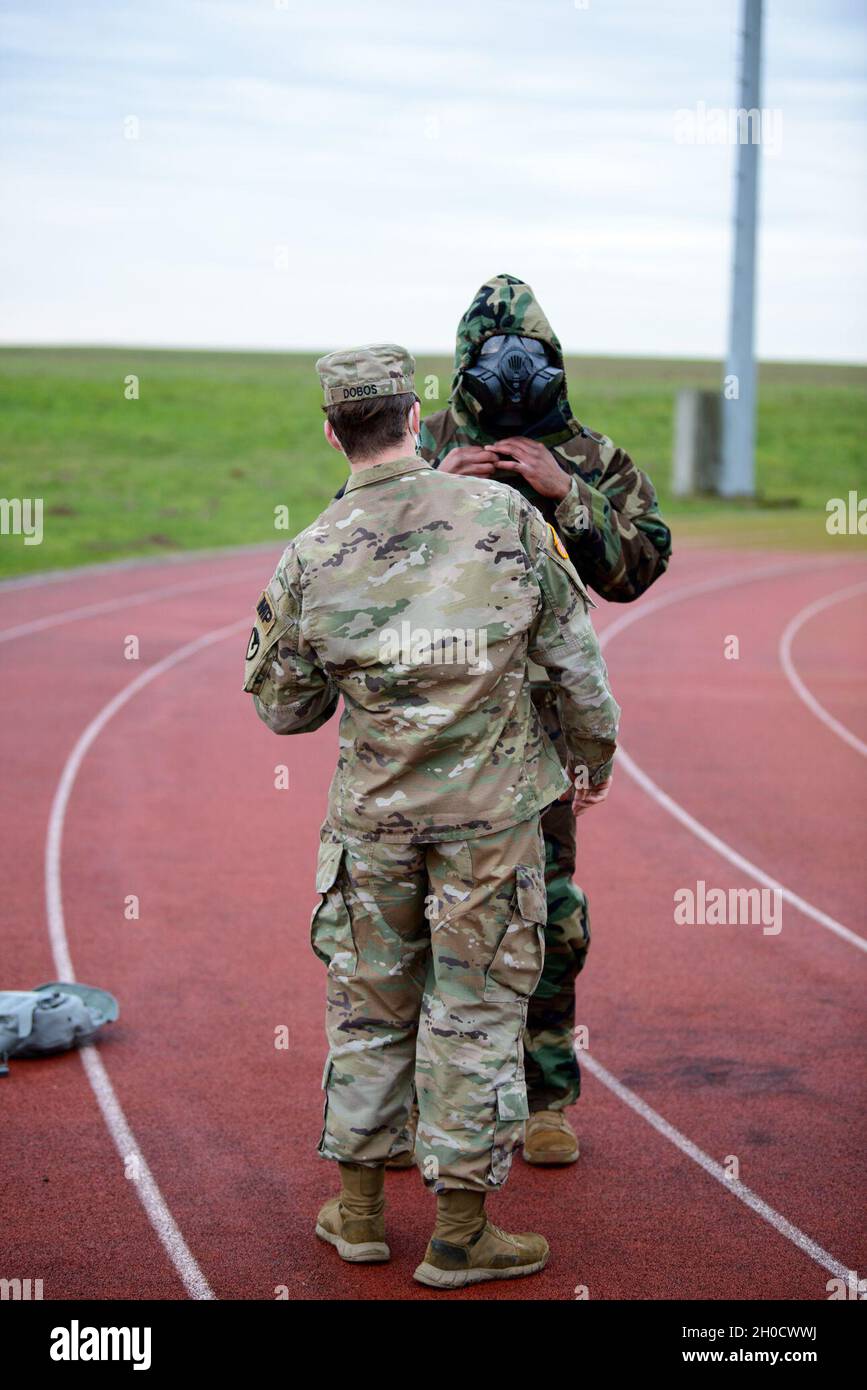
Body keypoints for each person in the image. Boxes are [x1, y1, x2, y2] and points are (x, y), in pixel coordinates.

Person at [242, 342, 620, 1289]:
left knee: (369, 1010)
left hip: (371, 827)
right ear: (415, 417)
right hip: (491, 825)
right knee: (476, 1012)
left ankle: (361, 1214)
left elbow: (283, 709)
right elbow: (578, 668)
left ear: (333, 431)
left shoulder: (314, 549)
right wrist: (589, 758)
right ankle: (460, 1234)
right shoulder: (501, 517)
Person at [414, 273, 672, 1166]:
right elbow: (343, 559)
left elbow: (637, 568)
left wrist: (568, 493)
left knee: (548, 915)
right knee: (415, 910)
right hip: (430, 724)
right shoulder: (423, 445)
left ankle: (545, 1097)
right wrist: (433, 489)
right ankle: (419, 1095)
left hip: (538, 730)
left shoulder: (589, 453)